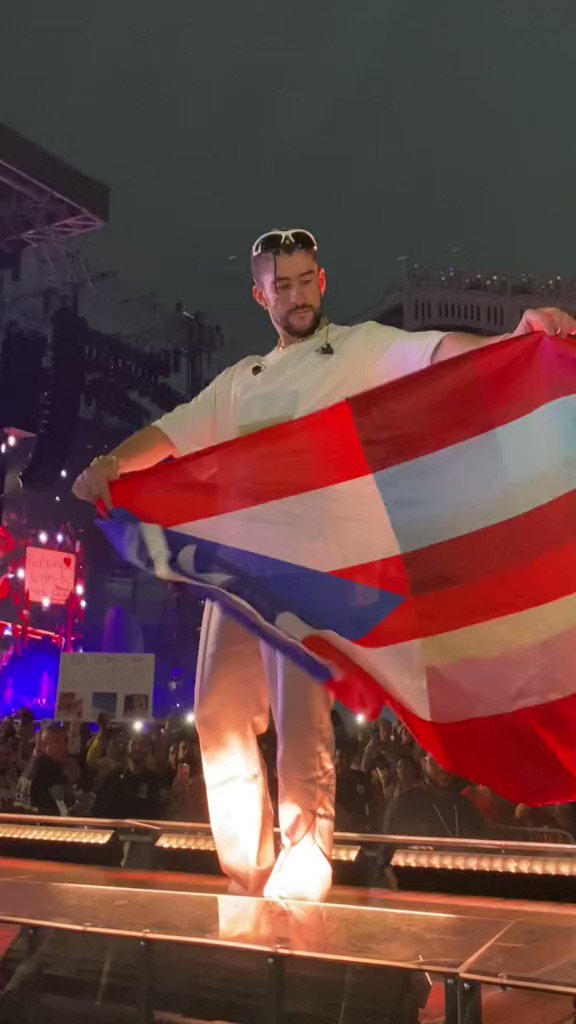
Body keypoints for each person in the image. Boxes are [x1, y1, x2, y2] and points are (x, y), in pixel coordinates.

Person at [72, 227, 576, 901]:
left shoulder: (360, 347)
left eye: (306, 280)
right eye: (282, 286)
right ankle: (246, 871)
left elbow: (435, 351)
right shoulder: (240, 382)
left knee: (300, 716)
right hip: (239, 571)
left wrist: (516, 338)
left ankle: (306, 858)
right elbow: (172, 432)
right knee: (218, 714)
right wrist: (112, 462)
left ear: (323, 281)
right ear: (261, 297)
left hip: (313, 573)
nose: (298, 294)